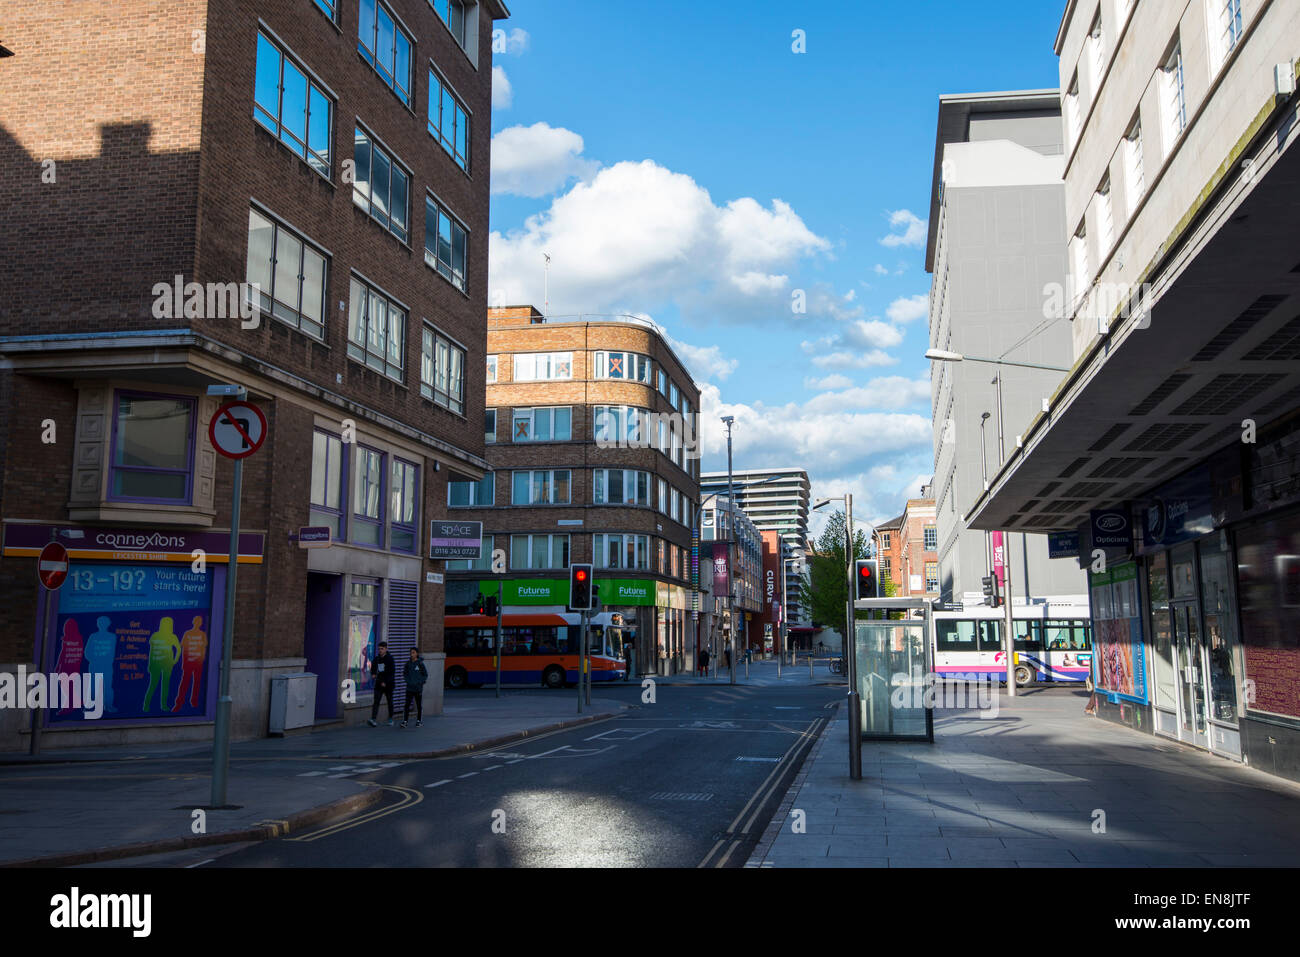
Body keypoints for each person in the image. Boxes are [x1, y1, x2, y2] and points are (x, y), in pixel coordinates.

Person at [367, 641, 396, 726]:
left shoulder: (390, 659)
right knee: (376, 701)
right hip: (379, 683)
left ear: (386, 649)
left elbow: (392, 672)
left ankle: (390, 719)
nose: (380, 650)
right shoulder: (377, 659)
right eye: (379, 649)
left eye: (382, 649)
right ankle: (373, 719)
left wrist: (386, 682)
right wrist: (373, 674)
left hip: (388, 684)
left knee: (390, 701)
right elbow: (373, 668)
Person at [401, 648, 428, 728]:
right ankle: (405, 721)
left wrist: (420, 682)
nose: (411, 654)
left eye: (413, 652)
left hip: (418, 688)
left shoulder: (420, 664)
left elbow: (425, 675)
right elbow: (405, 673)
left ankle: (419, 721)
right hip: (409, 688)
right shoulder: (408, 664)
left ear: (417, 654)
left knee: (419, 705)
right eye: (410, 652)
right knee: (407, 705)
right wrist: (408, 681)